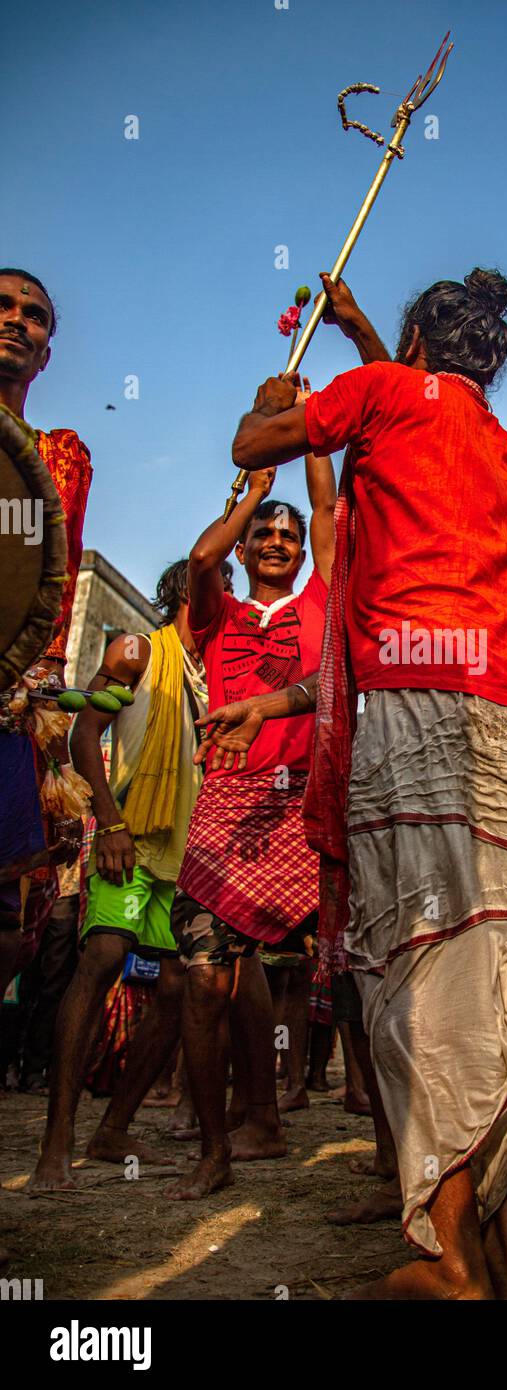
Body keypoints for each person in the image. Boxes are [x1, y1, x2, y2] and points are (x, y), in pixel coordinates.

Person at [232, 267, 507, 1300]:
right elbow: (402, 400)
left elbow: (254, 451)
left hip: (420, 705)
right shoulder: (500, 444)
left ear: (414, 339)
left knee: (424, 981)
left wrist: (270, 403)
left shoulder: (380, 393)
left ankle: (446, 1256)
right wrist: (358, 334)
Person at [167, 411, 335, 1201]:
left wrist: (304, 441)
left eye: (286, 536)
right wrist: (253, 491)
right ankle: (214, 1149)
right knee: (204, 976)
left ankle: (390, 1150)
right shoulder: (219, 615)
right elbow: (202, 555)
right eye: (263, 534)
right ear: (246, 549)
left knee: (354, 975)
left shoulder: (317, 608)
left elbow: (330, 514)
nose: (275, 541)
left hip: (302, 808)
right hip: (227, 807)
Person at [27, 559, 227, 1190]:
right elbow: (86, 735)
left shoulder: (218, 672)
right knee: (104, 956)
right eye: (217, 585)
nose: (226, 595)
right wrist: (109, 823)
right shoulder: (136, 650)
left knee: (177, 990)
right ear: (186, 593)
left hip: (188, 850)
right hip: (130, 839)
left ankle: (113, 1129)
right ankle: (54, 1146)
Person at [0, 269, 92, 1002]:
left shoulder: (59, 457)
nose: (15, 321)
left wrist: (41, 695)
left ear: (46, 351)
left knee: (13, 915)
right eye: (2, 306)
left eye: (32, 314)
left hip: (13, 699)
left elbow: (50, 595)